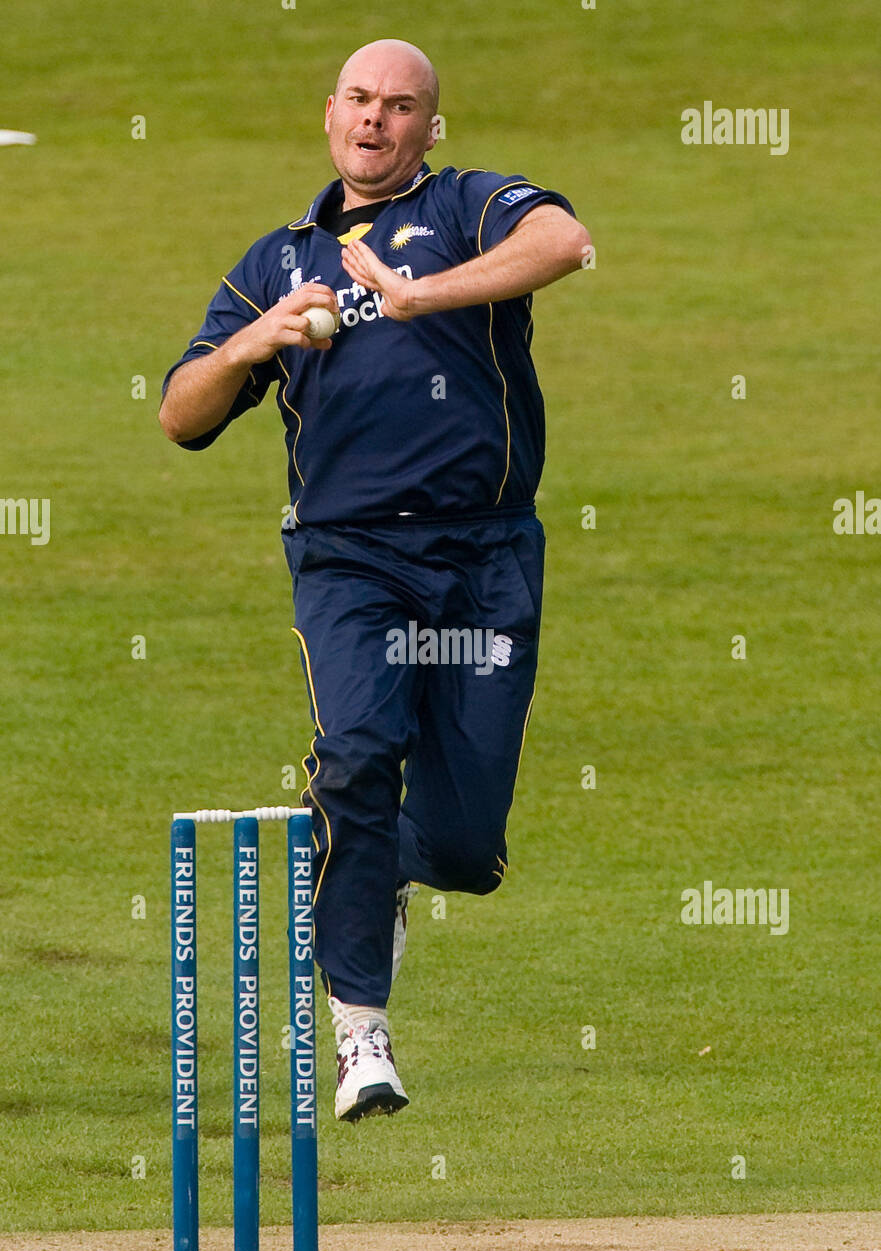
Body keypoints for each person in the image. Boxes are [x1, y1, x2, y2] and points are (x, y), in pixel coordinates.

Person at [160, 38, 590, 1122]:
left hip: (484, 556)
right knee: (356, 752)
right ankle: (361, 1037)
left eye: (399, 107)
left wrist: (416, 300)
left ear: (427, 129)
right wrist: (251, 341)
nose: (374, 120)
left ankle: (373, 856)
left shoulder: (465, 205)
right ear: (327, 113)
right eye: (358, 99)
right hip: (349, 558)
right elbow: (180, 413)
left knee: (463, 851)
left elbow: (565, 240)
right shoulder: (277, 261)